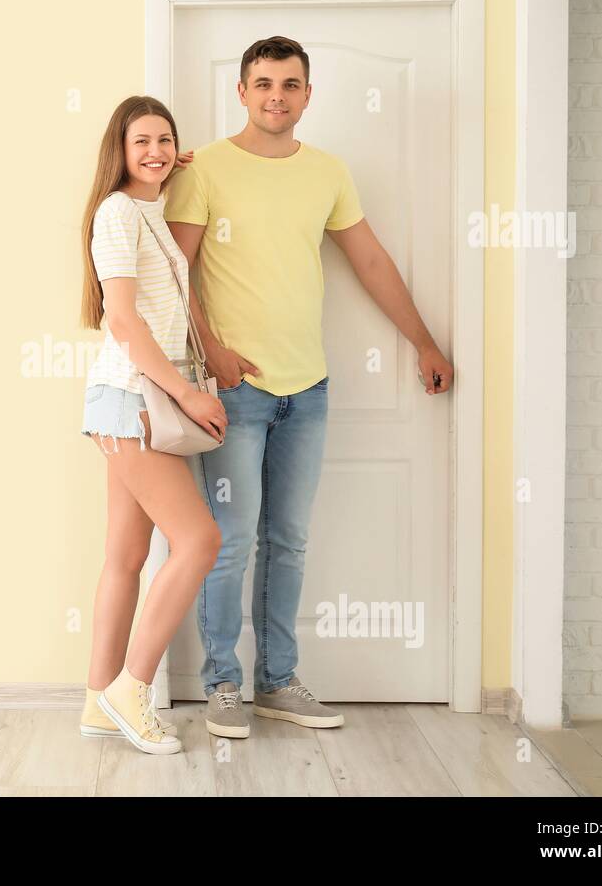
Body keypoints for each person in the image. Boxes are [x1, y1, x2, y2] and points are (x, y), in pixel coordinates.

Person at [164, 36, 455, 738]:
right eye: (263, 84)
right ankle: (222, 686)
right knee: (231, 542)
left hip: (309, 390)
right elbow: (174, 276)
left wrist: (422, 340)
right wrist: (215, 354)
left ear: (307, 94)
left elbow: (372, 262)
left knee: (288, 541)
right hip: (234, 392)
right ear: (241, 91)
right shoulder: (205, 171)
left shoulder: (327, 172)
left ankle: (276, 682)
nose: (276, 96)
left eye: (289, 85)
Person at [76, 95, 225, 755]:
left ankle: (97, 700)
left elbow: (161, 170)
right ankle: (133, 691)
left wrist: (170, 164)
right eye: (142, 142)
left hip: (127, 400)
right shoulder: (116, 213)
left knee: (127, 557)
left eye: (166, 140)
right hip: (132, 400)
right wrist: (188, 395)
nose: (157, 151)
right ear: (119, 149)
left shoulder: (148, 209)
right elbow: (125, 322)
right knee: (200, 541)